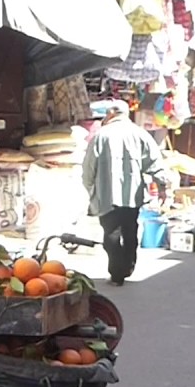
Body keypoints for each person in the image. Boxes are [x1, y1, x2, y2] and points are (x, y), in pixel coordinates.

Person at [81, 101, 169, 286]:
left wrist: (90, 188)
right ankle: (128, 266)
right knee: (130, 231)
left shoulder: (101, 135)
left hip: (107, 193)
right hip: (132, 193)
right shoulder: (140, 134)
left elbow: (89, 167)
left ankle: (117, 273)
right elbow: (155, 162)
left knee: (111, 233)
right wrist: (162, 186)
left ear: (112, 113)